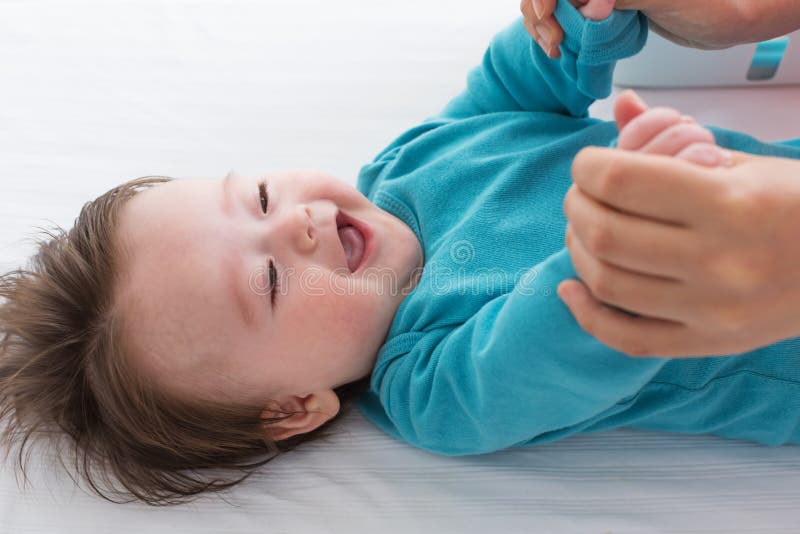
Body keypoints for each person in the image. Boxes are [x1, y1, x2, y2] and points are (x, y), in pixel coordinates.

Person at [1, 0, 800, 507]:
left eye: (261, 199)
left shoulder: (406, 164)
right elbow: (578, 334)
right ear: (294, 406)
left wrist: (574, 21)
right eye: (271, 280)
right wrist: (628, 217)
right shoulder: (434, 390)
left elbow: (520, 87)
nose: (297, 226)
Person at [524, 0, 800, 358]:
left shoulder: (425, 151)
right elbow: (555, 352)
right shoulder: (430, 368)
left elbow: (520, 83)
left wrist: (583, 21)